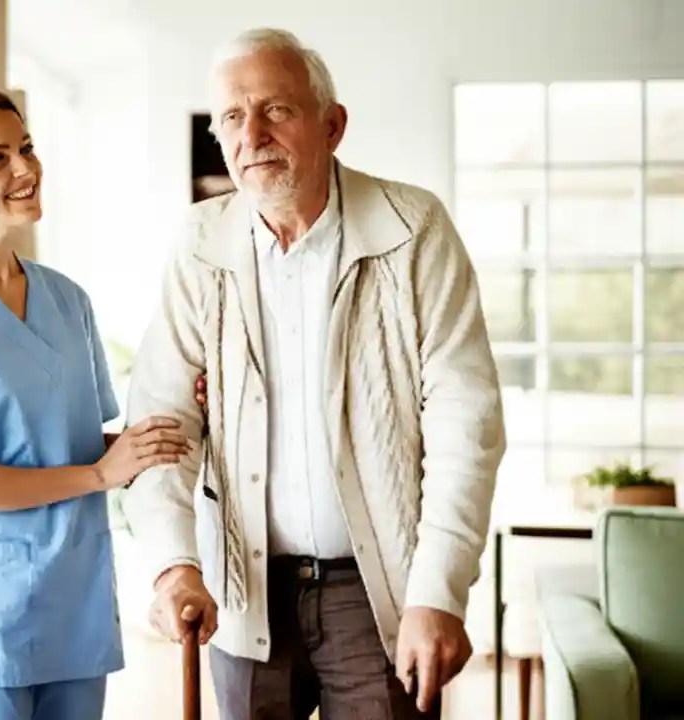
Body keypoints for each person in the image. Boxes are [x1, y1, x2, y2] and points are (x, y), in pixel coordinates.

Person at [122, 28, 506, 719]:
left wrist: (436, 592)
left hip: (381, 590)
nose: (253, 134)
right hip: (243, 593)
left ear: (332, 125)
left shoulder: (413, 228)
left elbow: (466, 425)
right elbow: (162, 421)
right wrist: (173, 561)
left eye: (277, 109)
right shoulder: (198, 244)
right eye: (233, 117)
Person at [0, 89, 191, 720]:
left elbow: (73, 447)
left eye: (27, 148)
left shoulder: (67, 301)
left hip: (74, 608)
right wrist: (101, 473)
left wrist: (156, 434)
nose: (25, 168)